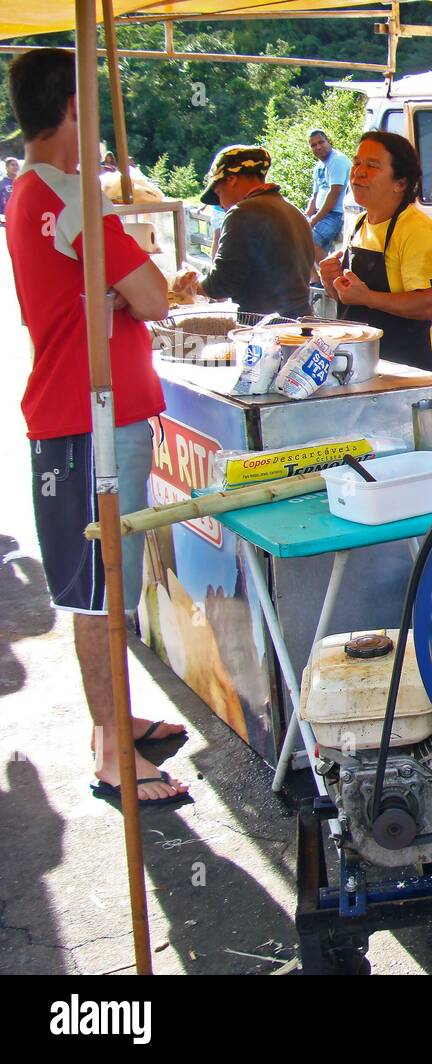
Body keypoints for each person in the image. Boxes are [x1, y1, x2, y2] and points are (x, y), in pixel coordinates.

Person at [6, 49, 189, 806]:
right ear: (70, 111)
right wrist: (127, 291)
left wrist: (116, 295)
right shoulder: (64, 195)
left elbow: (127, 296)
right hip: (85, 418)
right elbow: (151, 296)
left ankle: (112, 726)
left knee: (112, 579)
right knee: (100, 590)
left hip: (86, 413)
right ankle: (112, 750)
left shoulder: (36, 191)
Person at [318, 131, 432, 373]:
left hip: (405, 366)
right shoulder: (359, 223)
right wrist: (331, 283)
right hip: (357, 361)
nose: (358, 172)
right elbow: (350, 300)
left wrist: (367, 297)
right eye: (357, 162)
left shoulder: (416, 230)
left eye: (372, 166)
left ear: (401, 183)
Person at [173, 145, 315, 318]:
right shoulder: (293, 211)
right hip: (301, 321)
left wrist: (190, 284)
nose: (221, 204)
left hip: (264, 330)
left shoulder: (242, 212)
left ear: (231, 179)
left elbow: (221, 285)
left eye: (218, 193)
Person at [304, 128, 349, 259]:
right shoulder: (318, 167)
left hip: (336, 214)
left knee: (309, 240)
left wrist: (313, 220)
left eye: (321, 142)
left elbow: (334, 193)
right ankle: (315, 279)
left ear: (328, 141)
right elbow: (315, 196)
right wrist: (306, 215)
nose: (318, 147)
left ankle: (331, 275)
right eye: (313, 145)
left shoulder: (338, 160)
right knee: (294, 235)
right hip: (321, 213)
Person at [0, 157, 19, 223]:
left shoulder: (21, 181)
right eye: (12, 165)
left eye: (16, 165)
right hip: (4, 217)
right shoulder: (2, 183)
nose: (15, 167)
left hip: (18, 216)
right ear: (6, 167)